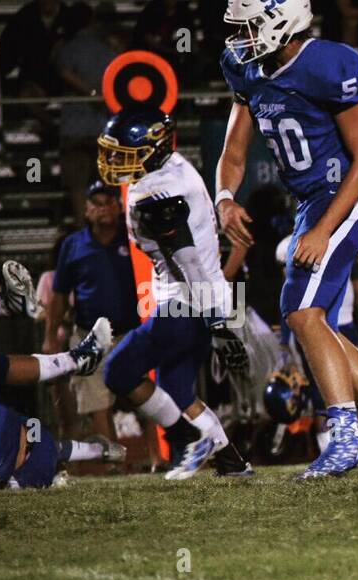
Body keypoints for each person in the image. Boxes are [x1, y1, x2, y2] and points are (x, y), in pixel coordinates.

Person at [217, 0, 358, 477]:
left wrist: (322, 228)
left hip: (343, 198)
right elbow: (234, 150)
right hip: (310, 204)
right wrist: (225, 197)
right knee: (319, 327)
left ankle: (347, 436)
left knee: (301, 313)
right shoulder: (247, 70)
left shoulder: (328, 64)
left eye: (251, 26)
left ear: (281, 22)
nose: (242, 38)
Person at [96, 107, 255, 479]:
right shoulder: (172, 167)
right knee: (177, 388)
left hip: (187, 303)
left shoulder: (156, 193)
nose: (114, 161)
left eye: (124, 153)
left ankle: (188, 440)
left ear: (152, 149)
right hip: (203, 297)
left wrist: (218, 324)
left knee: (118, 370)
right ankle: (232, 462)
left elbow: (188, 261)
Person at [46, 180, 140, 445]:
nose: (103, 209)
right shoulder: (73, 245)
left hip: (131, 332)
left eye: (109, 202)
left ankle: (159, 458)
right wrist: (51, 336)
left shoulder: (133, 239)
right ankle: (112, 461)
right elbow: (60, 293)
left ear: (119, 207)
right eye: (96, 204)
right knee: (95, 399)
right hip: (89, 333)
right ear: (86, 210)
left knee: (147, 395)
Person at [0, 315, 122, 490]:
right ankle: (73, 361)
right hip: (7, 457)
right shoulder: (34, 452)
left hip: (13, 455)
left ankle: (74, 360)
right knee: (30, 438)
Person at [54, 2, 118, 225]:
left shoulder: (67, 49)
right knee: (106, 184)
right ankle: (106, 229)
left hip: (74, 128)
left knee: (78, 187)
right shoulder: (107, 50)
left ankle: (84, 230)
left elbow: (61, 71)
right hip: (103, 127)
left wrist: (87, 91)